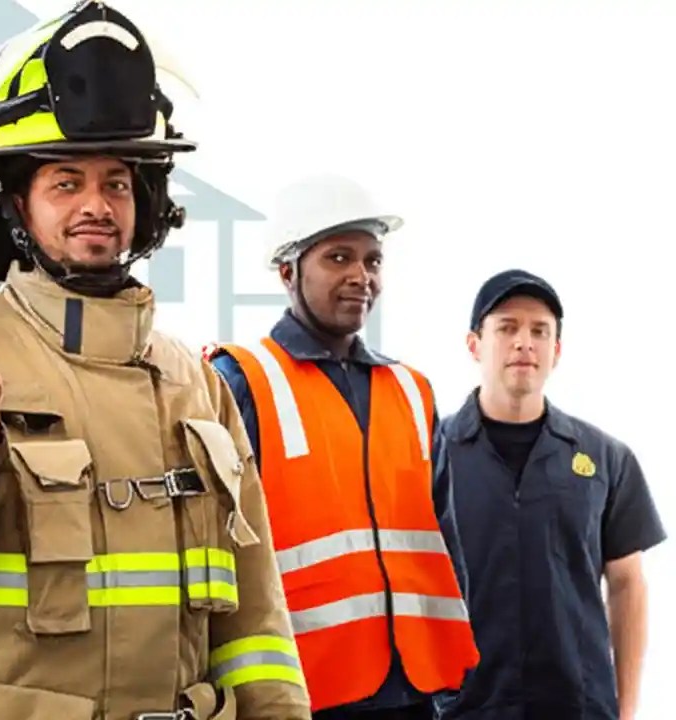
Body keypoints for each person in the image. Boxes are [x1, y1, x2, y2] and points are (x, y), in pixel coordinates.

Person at [0, 3, 311, 719]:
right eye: (66, 182)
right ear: (16, 203)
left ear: (148, 202)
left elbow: (255, 612)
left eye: (116, 182)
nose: (96, 205)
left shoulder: (198, 383)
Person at [203, 175, 479, 719]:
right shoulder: (242, 381)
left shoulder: (412, 391)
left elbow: (444, 542)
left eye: (372, 261)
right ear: (288, 272)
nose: (361, 277)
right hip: (301, 690)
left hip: (414, 687)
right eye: (338, 258)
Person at [435, 269, 666, 720]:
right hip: (465, 707)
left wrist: (627, 709)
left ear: (556, 351)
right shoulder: (429, 456)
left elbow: (627, 585)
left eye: (540, 331)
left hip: (578, 706)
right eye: (507, 328)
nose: (525, 342)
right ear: (474, 345)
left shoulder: (606, 459)